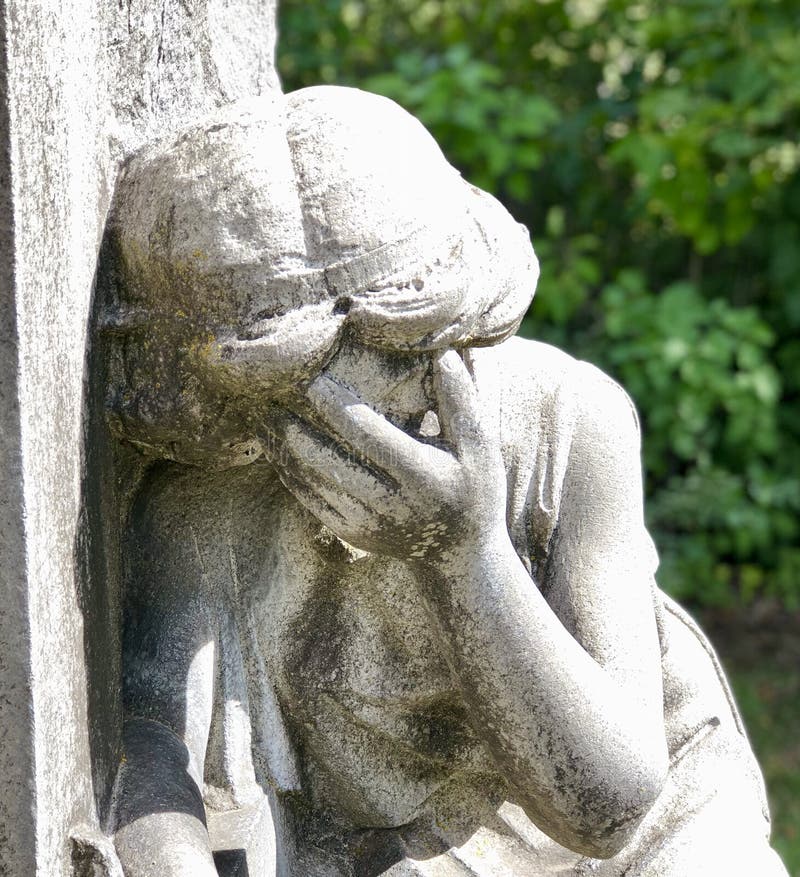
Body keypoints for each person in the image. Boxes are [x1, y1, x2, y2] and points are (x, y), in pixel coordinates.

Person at [103, 86, 787, 876]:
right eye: (372, 370)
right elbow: (155, 749)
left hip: (639, 795)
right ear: (262, 394)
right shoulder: (206, 506)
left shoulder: (570, 420)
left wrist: (462, 549)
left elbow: (612, 803)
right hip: (394, 845)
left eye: (436, 338)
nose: (425, 389)